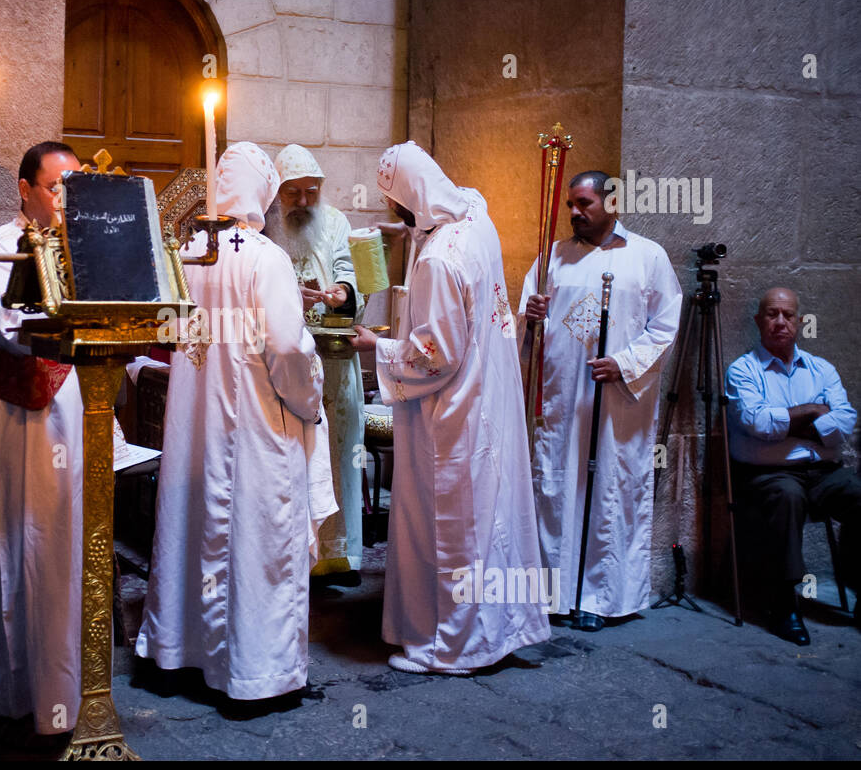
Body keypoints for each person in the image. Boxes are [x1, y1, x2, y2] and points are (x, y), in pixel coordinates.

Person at [136, 141, 327, 701]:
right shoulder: (265, 257)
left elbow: (172, 336)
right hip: (257, 429)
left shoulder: (189, 251)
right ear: (262, 195)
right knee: (258, 544)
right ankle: (257, 671)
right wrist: (306, 400)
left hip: (195, 426)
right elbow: (289, 348)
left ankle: (179, 648)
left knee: (189, 530)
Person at [350, 140, 549, 674]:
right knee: (489, 518)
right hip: (489, 396)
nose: (394, 212)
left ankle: (453, 645)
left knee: (450, 524)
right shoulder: (475, 215)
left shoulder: (439, 260)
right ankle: (498, 628)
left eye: (393, 202)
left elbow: (435, 355)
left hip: (450, 413)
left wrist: (378, 347)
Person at [520, 171, 682, 631]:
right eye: (571, 204)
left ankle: (601, 597)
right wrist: (529, 317)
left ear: (612, 203)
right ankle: (556, 594)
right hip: (563, 400)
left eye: (584, 204)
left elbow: (666, 325)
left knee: (612, 491)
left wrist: (625, 364)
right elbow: (529, 321)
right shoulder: (553, 256)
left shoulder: (647, 257)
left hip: (616, 402)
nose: (574, 213)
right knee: (557, 490)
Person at [0, 141, 85, 743]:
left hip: (71, 408)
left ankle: (66, 693)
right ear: (24, 188)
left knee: (65, 545)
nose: (66, 199)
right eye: (56, 186)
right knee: (17, 542)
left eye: (74, 187)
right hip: (15, 415)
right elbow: (11, 330)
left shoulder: (86, 248)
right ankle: (14, 700)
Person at [726, 286, 860, 645]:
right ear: (759, 321)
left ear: (800, 321)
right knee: (786, 497)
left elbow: (845, 423)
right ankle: (783, 603)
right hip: (767, 475)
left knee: (858, 492)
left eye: (788, 315)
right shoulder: (743, 371)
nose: (780, 322)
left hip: (822, 474)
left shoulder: (822, 369)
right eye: (772, 314)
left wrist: (787, 422)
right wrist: (815, 412)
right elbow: (757, 424)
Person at [263, 143, 365, 582]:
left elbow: (350, 271)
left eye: (311, 192)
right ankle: (293, 557)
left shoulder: (337, 221)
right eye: (293, 193)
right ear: (276, 193)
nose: (304, 202)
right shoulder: (265, 228)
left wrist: (342, 291)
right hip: (285, 367)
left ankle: (339, 557)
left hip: (335, 359)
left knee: (341, 456)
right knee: (292, 459)